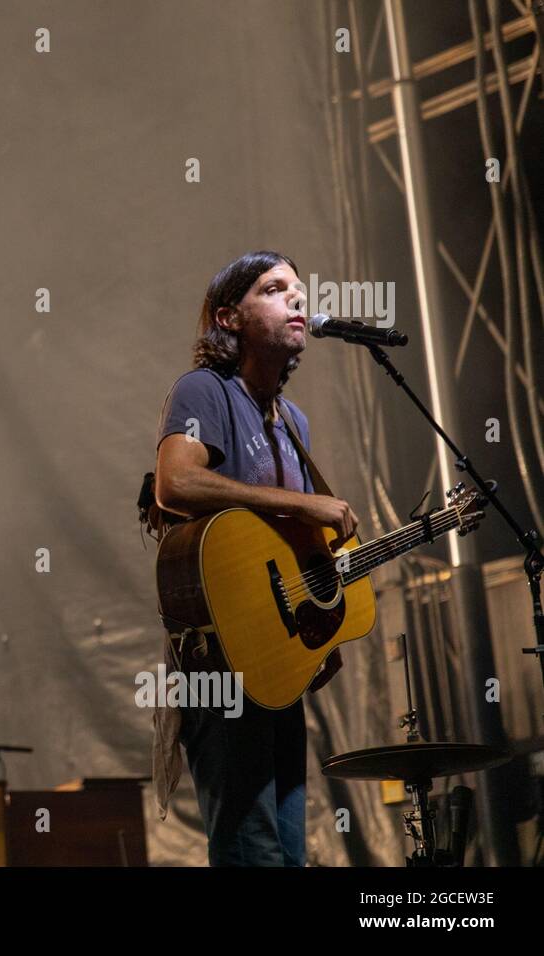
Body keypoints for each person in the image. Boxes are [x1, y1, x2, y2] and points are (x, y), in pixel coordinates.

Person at [151, 250, 358, 866]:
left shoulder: (293, 422)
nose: (296, 298)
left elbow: (287, 550)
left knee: (288, 854)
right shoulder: (204, 390)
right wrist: (307, 507)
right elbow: (175, 485)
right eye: (273, 289)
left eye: (299, 289)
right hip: (221, 659)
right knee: (252, 853)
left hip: (274, 664)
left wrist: (318, 629)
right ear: (229, 317)